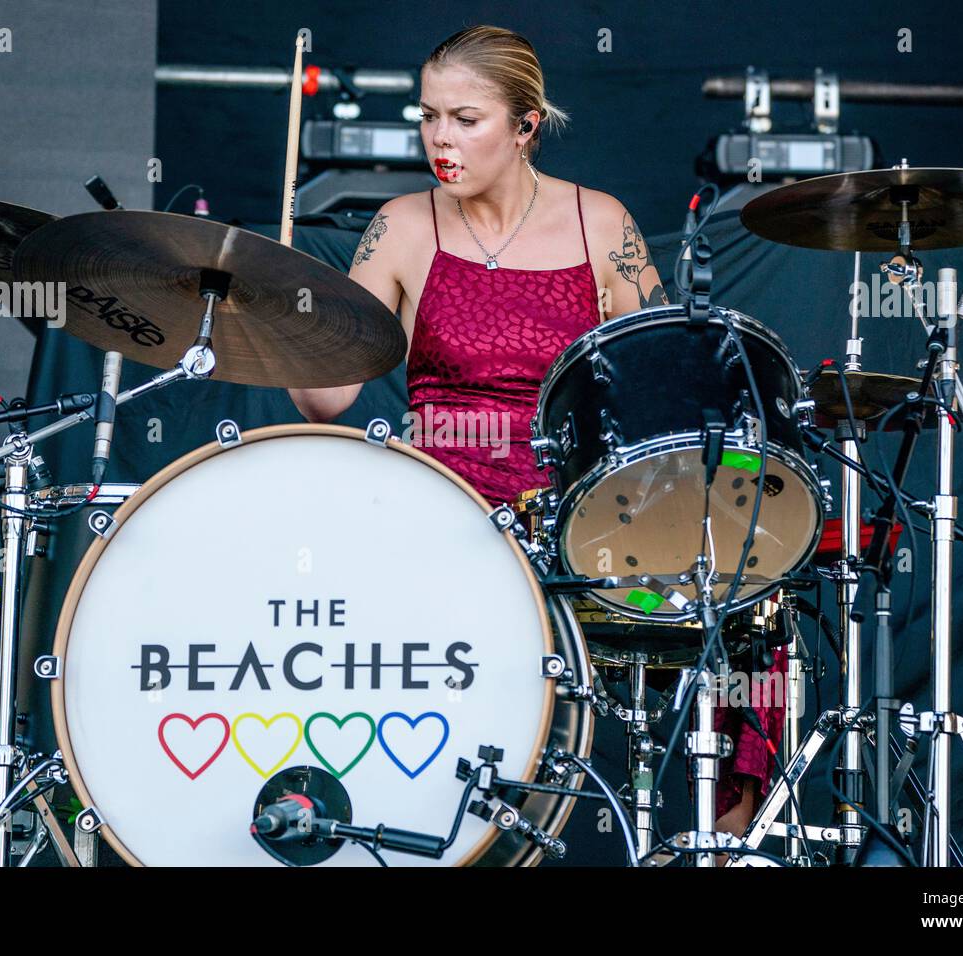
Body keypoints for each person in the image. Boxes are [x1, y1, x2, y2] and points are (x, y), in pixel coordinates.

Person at [288, 24, 778, 855]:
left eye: (465, 119)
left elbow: (664, 376)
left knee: (742, 606)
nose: (440, 139)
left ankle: (722, 846)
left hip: (577, 520)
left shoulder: (600, 223)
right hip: (440, 513)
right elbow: (323, 398)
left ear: (525, 127)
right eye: (429, 116)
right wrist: (289, 309)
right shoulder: (403, 224)